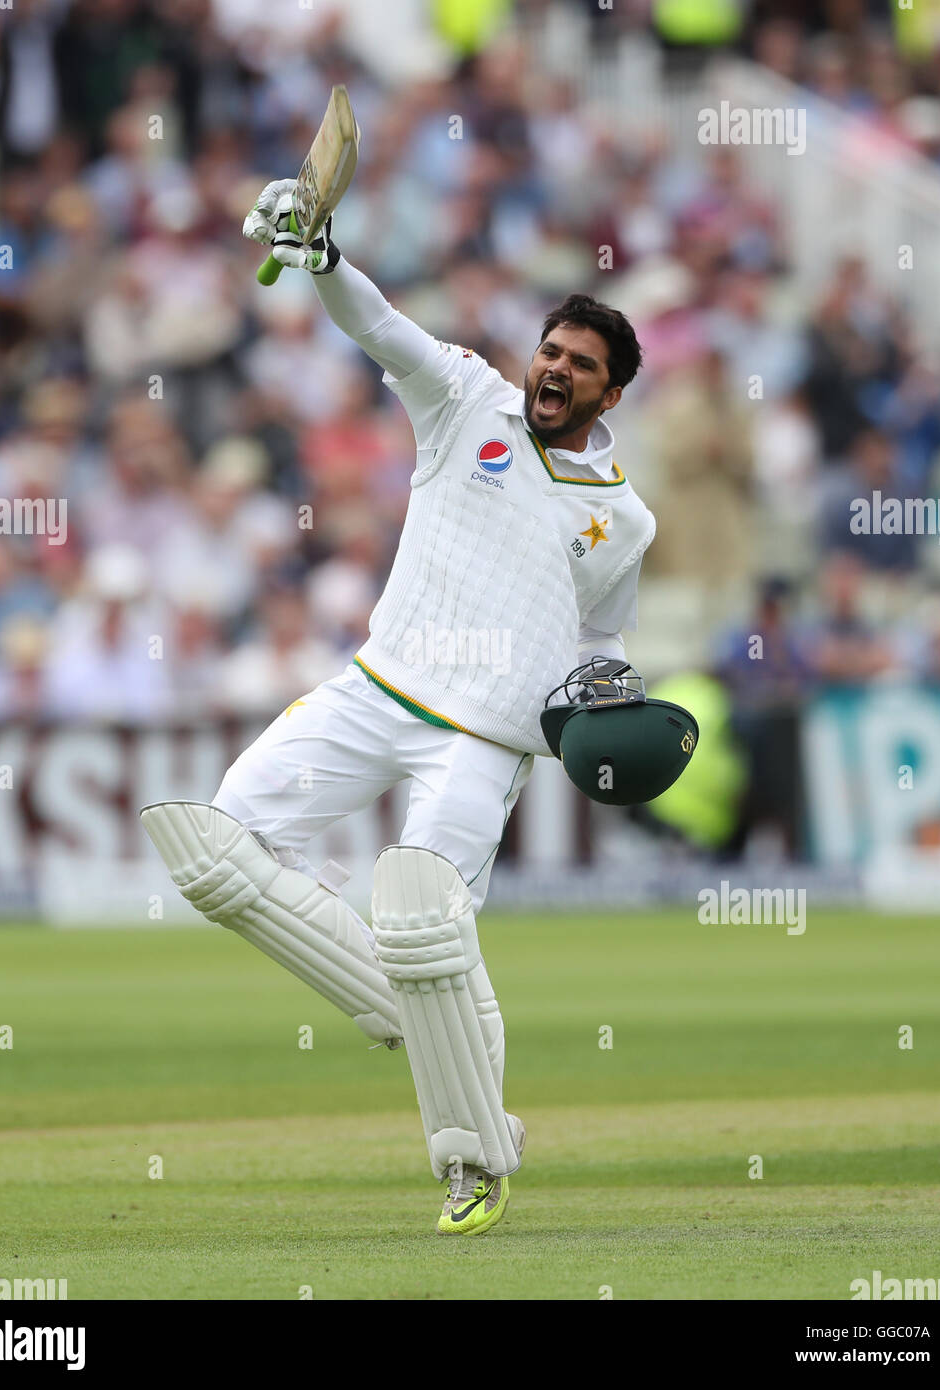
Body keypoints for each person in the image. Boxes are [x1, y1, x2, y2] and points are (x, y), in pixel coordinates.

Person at [141, 177, 655, 1236]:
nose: (554, 370)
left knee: (425, 917)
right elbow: (377, 326)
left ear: (610, 397)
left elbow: (599, 636)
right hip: (374, 688)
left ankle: (473, 1161)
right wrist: (319, 253)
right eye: (551, 352)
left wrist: (607, 690)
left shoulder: (626, 522)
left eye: (580, 367)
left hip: (484, 737)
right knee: (215, 845)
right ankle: (412, 1009)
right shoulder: (465, 399)